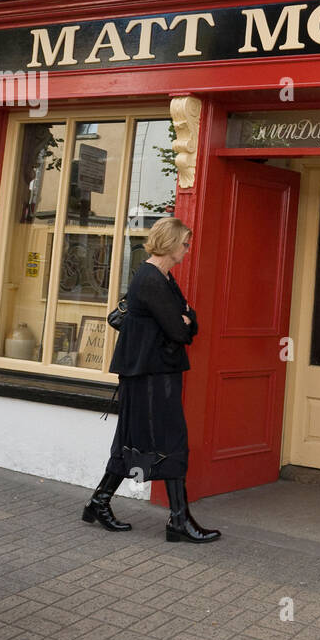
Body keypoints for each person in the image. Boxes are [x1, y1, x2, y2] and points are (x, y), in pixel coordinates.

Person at [81, 216, 220, 543]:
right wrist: (184, 321)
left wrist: (186, 320)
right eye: (185, 244)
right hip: (149, 374)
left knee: (139, 438)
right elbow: (180, 329)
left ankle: (99, 502)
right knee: (167, 440)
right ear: (171, 244)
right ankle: (177, 521)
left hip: (154, 372)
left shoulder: (164, 278)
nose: (187, 250)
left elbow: (190, 320)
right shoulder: (151, 280)